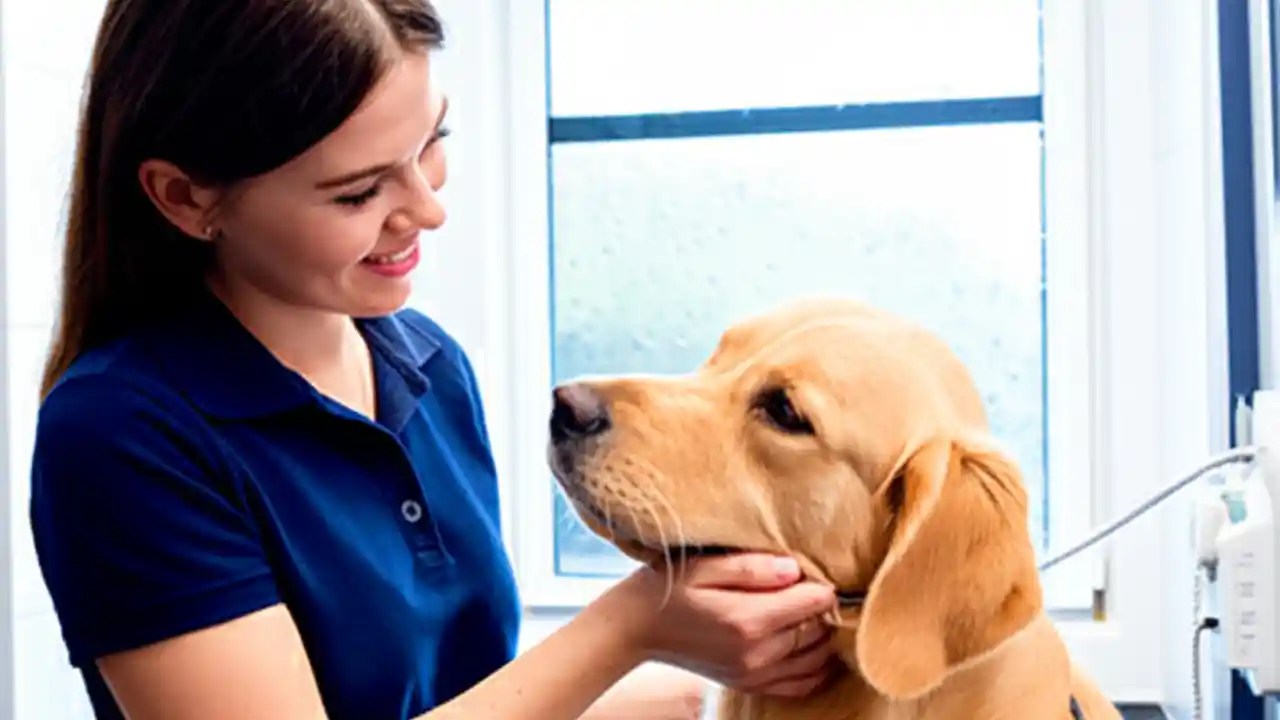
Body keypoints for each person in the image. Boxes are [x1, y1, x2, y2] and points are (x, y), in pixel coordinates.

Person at [27, 1, 840, 719]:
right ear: (186, 197)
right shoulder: (121, 435)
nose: (428, 208)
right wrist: (630, 626)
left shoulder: (429, 367)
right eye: (358, 192)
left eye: (433, 142)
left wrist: (722, 684)